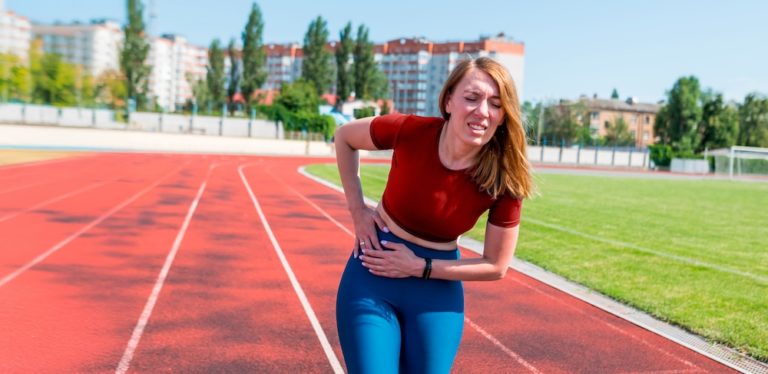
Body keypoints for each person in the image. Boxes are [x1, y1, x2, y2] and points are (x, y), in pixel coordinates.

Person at [333, 57, 534, 373]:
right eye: (472, 98)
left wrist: (419, 267)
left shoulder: (504, 179)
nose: (483, 111)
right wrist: (357, 210)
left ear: (503, 115)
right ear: (449, 100)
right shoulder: (412, 131)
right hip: (375, 271)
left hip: (436, 289)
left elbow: (497, 266)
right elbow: (345, 136)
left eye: (496, 104)